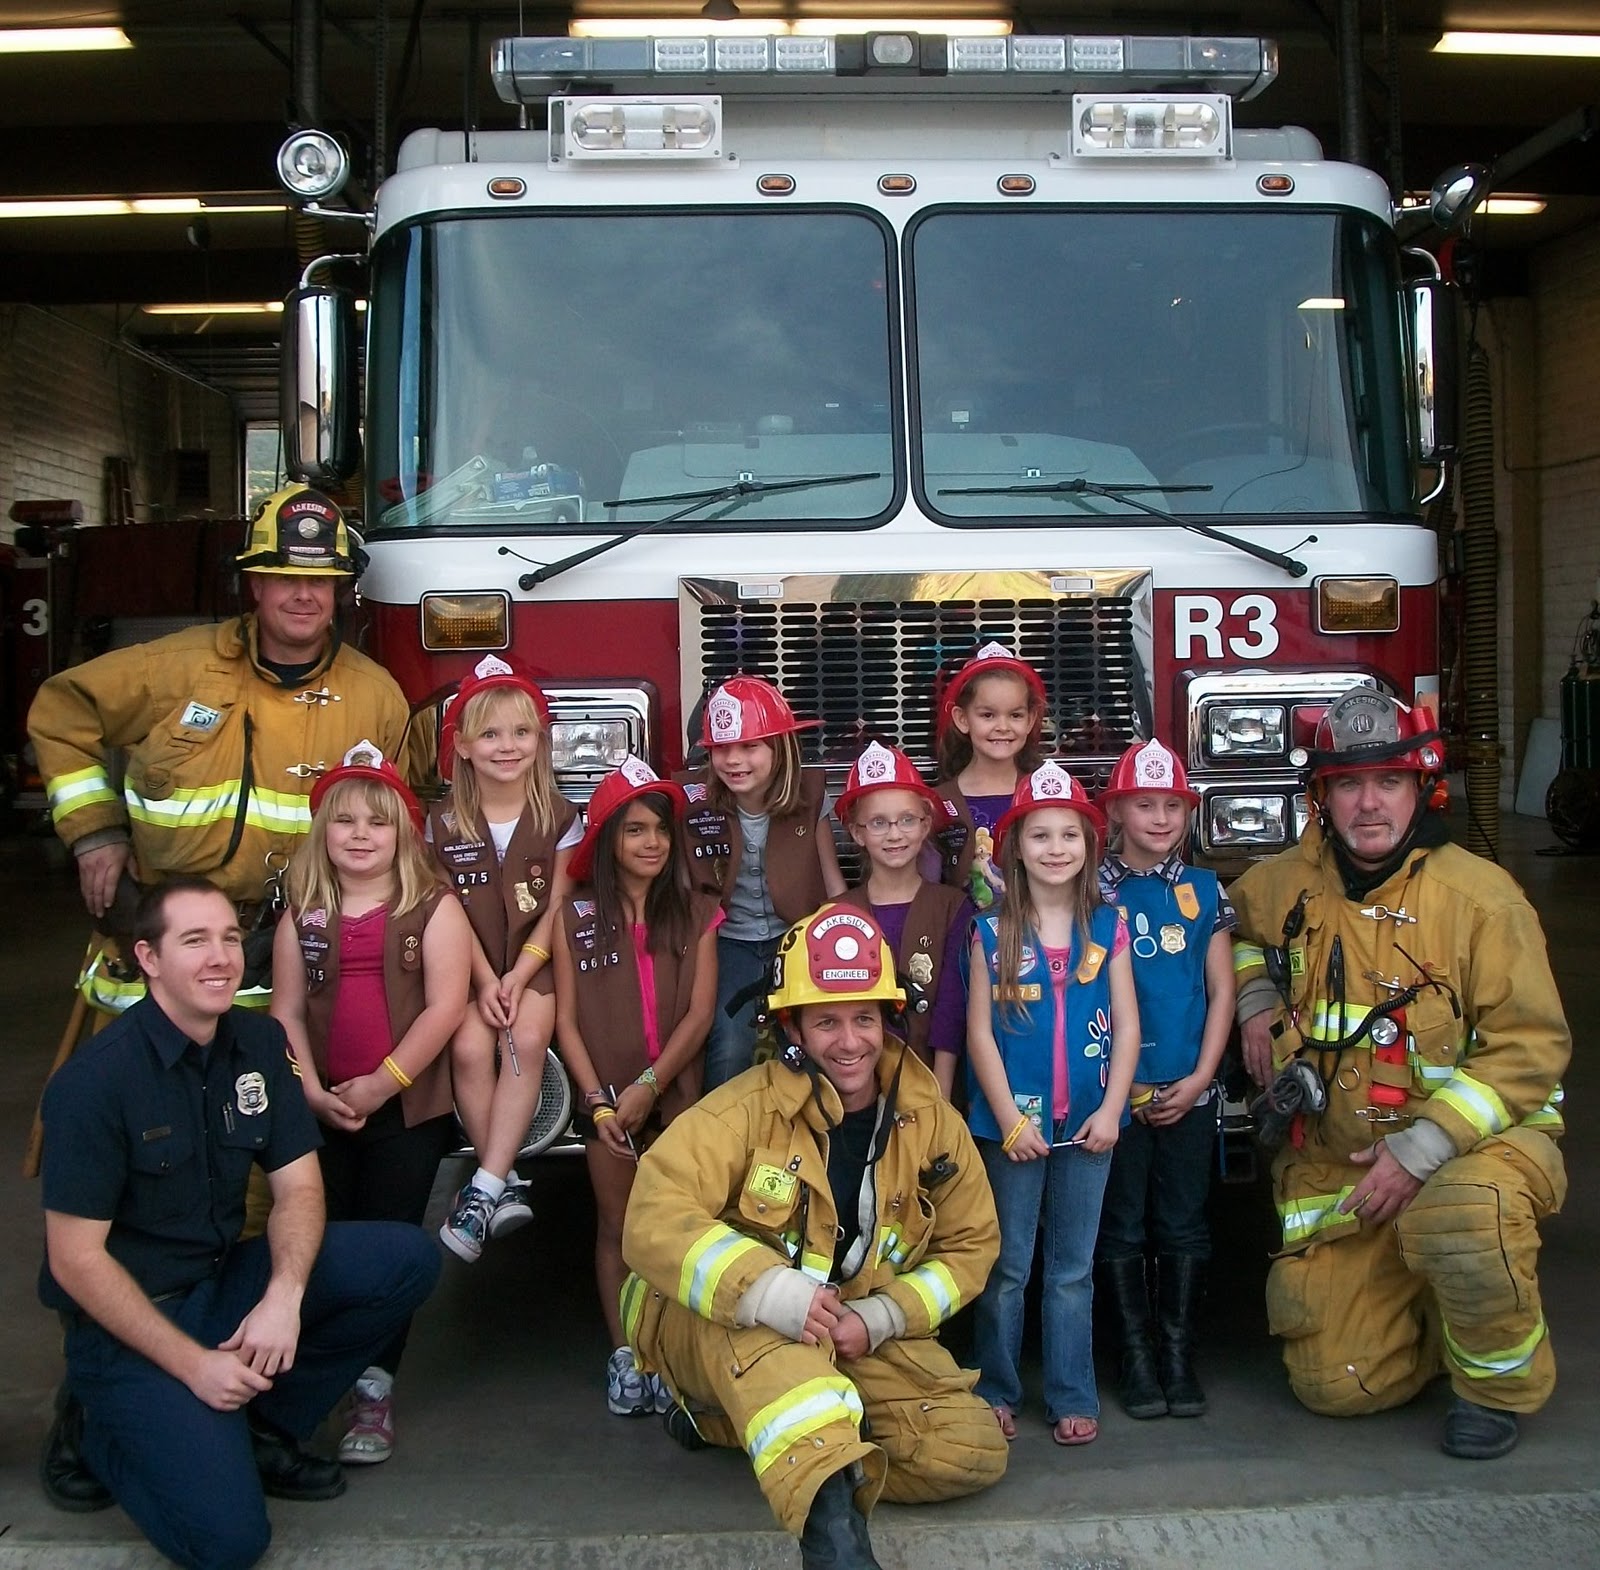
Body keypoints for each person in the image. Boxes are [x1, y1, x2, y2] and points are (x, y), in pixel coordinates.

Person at [37, 876, 440, 1570]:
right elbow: (76, 1261)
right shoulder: (95, 1082)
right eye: (194, 941)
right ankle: (98, 1429)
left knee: (405, 1259)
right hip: (131, 1326)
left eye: (228, 937)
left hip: (225, 1288)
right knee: (229, 1543)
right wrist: (194, 1367)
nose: (221, 957)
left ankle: (261, 1426)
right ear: (149, 958)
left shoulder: (257, 1046)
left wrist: (282, 1298)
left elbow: (300, 1189)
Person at [1231, 686, 1570, 1459]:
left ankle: (1491, 1386)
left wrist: (1423, 1149)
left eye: (1389, 781)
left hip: (1476, 1152)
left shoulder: (1482, 900)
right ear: (1322, 796)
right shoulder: (1287, 881)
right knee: (1340, 1387)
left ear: (1424, 787)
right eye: (1347, 784)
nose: (1369, 804)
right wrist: (1255, 996)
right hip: (1340, 1165)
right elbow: (1236, 926)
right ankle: (1420, 1299)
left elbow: (1529, 1049)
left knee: (1465, 1217)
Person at [621, 902, 1008, 1570]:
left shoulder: (928, 1122)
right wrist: (769, 1291)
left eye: (864, 1018)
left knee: (965, 1449)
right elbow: (652, 1218)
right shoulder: (740, 1112)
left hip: (843, 1329)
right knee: (789, 1371)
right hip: (716, 1321)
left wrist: (881, 1317)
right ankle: (837, 1548)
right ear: (793, 1028)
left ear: (888, 1020)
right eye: (826, 1021)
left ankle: (730, 1424)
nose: (850, 1041)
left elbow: (971, 1245)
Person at [28, 484, 412, 1009]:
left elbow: (401, 827)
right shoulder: (176, 668)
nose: (304, 595)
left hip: (305, 953)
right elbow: (62, 710)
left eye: (321, 581)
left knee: (280, 1087)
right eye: (285, 578)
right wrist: (95, 832)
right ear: (254, 584)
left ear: (340, 591)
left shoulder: (377, 699)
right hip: (167, 952)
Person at [270, 743, 471, 1463]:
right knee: (321, 1241)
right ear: (322, 831)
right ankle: (314, 1380)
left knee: (388, 1244)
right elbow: (287, 1011)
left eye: (377, 823)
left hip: (403, 1113)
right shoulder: (305, 913)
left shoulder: (431, 907)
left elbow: (446, 1006)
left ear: (404, 834)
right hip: (323, 1109)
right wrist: (311, 1092)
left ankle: (375, 1391)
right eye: (344, 820)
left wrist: (385, 1082)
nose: (360, 834)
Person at [964, 760, 1140, 1446]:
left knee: (1072, 1268)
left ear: (1090, 845)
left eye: (1070, 833)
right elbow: (978, 1032)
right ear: (1016, 847)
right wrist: (1007, 1119)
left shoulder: (1109, 927)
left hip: (1091, 1127)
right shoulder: (990, 933)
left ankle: (1072, 1391)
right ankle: (997, 1387)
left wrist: (1112, 1110)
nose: (1056, 848)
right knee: (1007, 1266)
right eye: (1041, 835)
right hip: (1014, 1127)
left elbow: (1127, 1026)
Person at [552, 756, 721, 1415]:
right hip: (607, 1109)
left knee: (679, 1231)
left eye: (660, 831)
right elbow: (564, 1018)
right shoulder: (576, 916)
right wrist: (597, 1103)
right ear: (607, 843)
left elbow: (701, 1013)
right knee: (617, 1226)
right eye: (634, 832)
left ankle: (671, 1354)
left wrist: (652, 1085)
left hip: (675, 1099)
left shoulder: (700, 912)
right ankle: (627, 1356)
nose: (651, 843)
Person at [1094, 737, 1236, 1420]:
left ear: (1188, 810)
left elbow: (1222, 991)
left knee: (1183, 1224)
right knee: (1121, 1226)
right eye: (1144, 804)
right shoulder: (1090, 888)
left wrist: (1205, 1074)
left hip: (1189, 1089)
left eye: (1171, 805)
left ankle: (1178, 1357)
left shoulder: (1207, 890)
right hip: (1114, 1096)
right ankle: (1135, 1359)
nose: (1159, 818)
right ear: (1116, 809)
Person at [427, 654, 582, 1261]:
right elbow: (449, 916)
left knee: (526, 1038)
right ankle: (507, 1178)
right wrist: (487, 979)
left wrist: (518, 975)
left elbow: (559, 907)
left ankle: (484, 1187)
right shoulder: (440, 826)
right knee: (468, 1045)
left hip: (538, 971)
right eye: (489, 734)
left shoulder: (562, 819)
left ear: (540, 741)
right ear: (462, 745)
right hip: (469, 973)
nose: (506, 746)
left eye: (521, 732)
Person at [679, 675, 845, 1090]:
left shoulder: (809, 794)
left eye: (750, 746)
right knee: (731, 1041)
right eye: (722, 749)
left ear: (780, 747)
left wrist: (848, 942)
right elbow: (681, 887)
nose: (734, 760)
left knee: (812, 1038)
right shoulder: (692, 801)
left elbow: (832, 881)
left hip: (800, 938)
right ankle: (725, 1137)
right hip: (726, 943)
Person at [834, 739, 972, 1099]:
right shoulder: (835, 914)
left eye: (907, 820)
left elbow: (952, 1008)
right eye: (878, 823)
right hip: (855, 1091)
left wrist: (939, 1095)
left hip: (933, 1080)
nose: (894, 834)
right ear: (857, 833)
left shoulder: (953, 907)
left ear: (926, 825)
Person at [928, 642, 1048, 913]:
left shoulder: (1046, 795)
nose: (1002, 726)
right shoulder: (939, 802)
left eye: (1015, 715)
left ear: (1030, 720)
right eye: (988, 715)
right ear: (962, 719)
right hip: (964, 946)